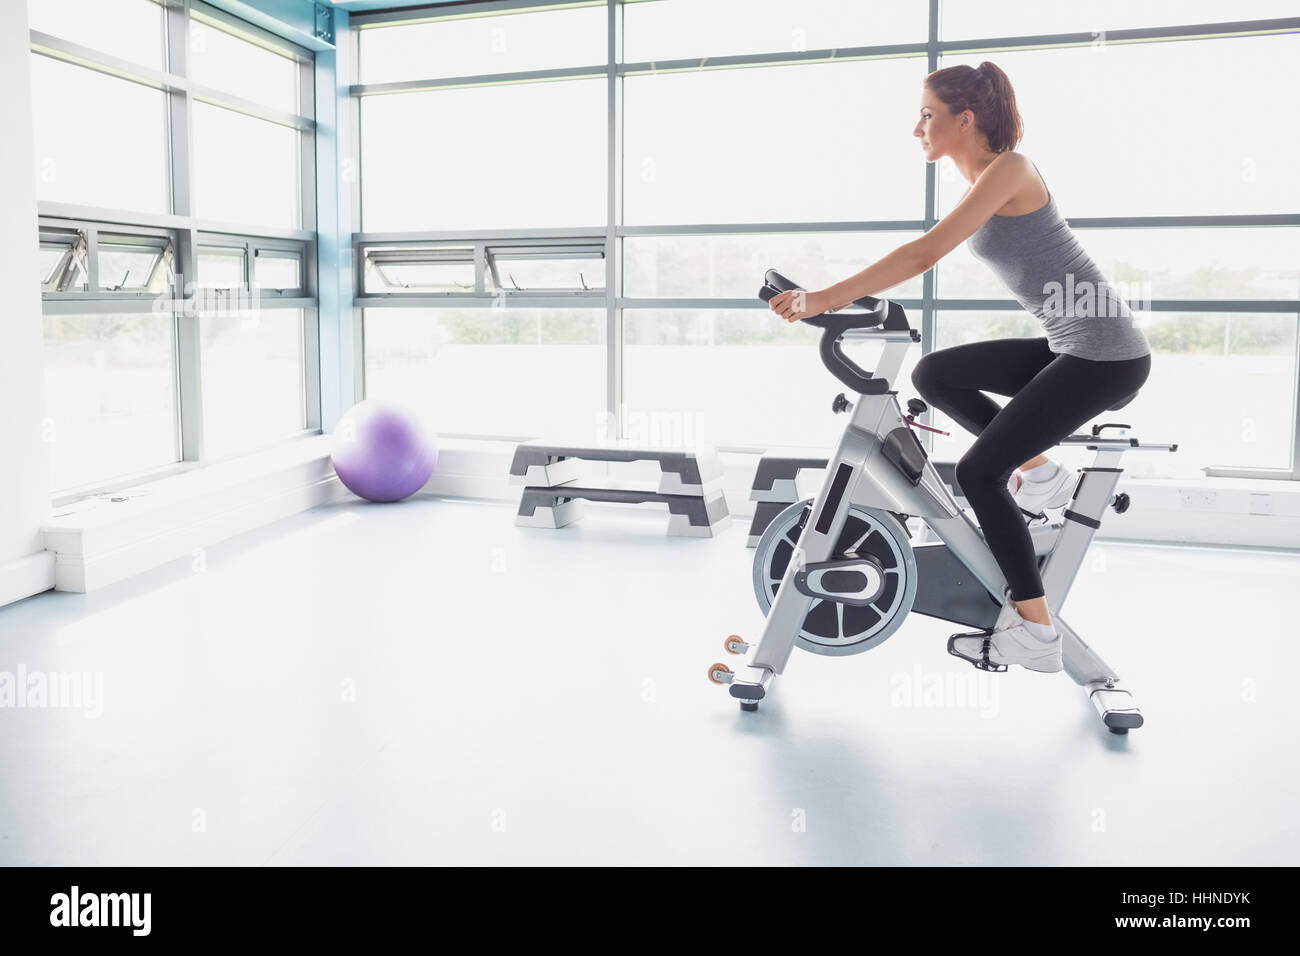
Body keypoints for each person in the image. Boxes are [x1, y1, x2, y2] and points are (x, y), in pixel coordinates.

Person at [766, 61, 1151, 673]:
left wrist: (822, 298)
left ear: (963, 119)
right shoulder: (985, 179)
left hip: (1105, 356)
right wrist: (842, 297)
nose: (915, 128)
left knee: (977, 474)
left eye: (926, 115)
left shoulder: (1012, 169)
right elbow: (920, 253)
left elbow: (922, 254)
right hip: (1068, 346)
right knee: (934, 375)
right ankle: (1046, 478)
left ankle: (1036, 632)